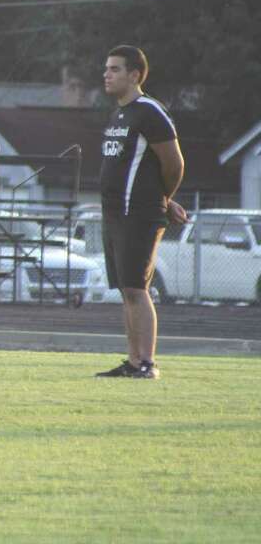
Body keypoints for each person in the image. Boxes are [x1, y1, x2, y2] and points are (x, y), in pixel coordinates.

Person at [95, 45, 185, 380]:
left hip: (138, 214)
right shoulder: (119, 113)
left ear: (134, 75)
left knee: (137, 288)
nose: (107, 74)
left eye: (115, 69)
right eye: (106, 68)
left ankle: (147, 363)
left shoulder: (149, 111)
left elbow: (174, 164)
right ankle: (133, 361)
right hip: (115, 213)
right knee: (126, 289)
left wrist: (164, 197)